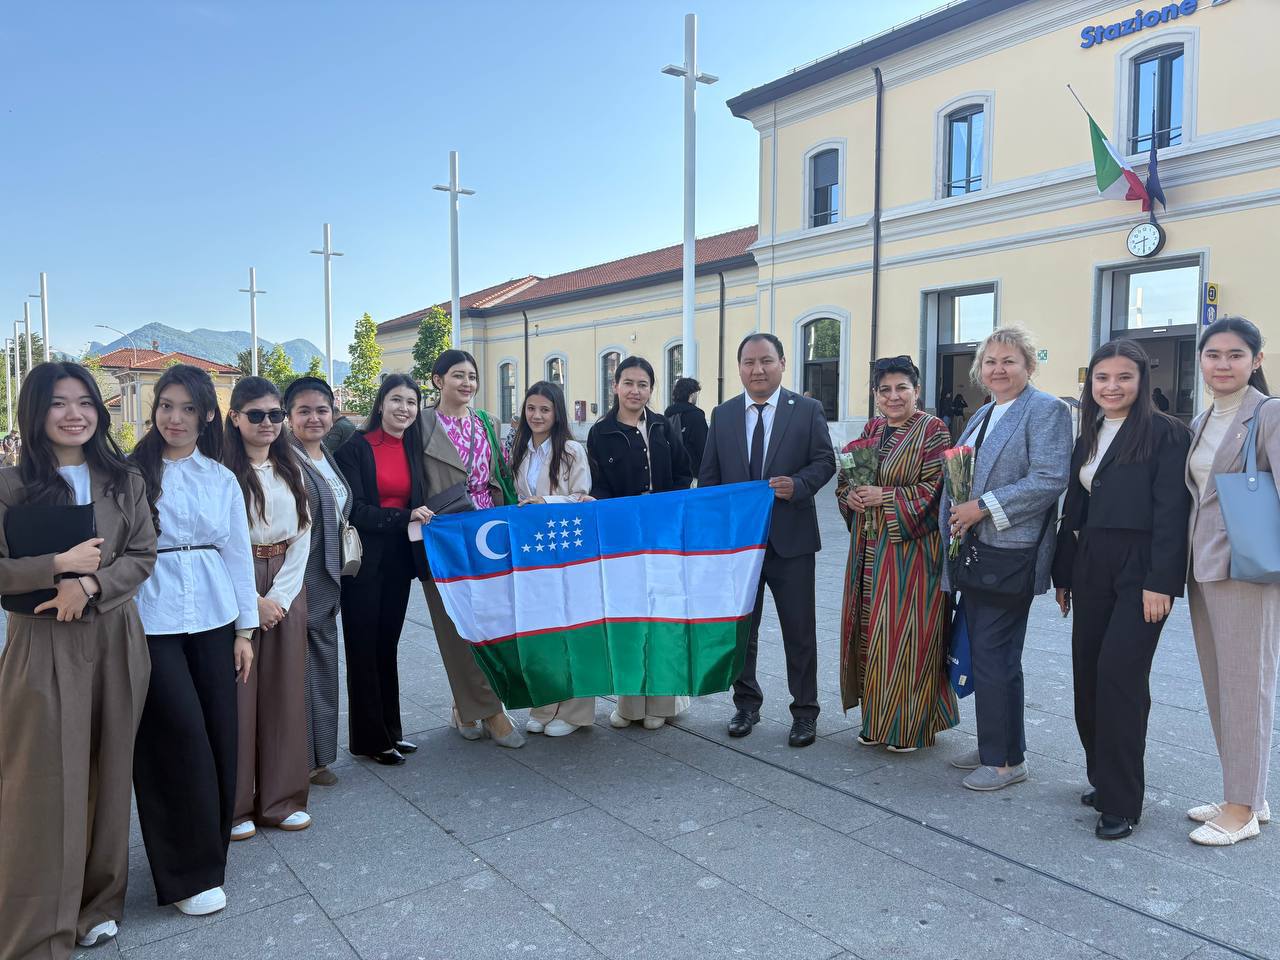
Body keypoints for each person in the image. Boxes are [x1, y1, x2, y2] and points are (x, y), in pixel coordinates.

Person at [0, 362, 157, 956]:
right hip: (40, 643)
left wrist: (90, 587)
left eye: (86, 402)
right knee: (42, 783)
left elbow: (143, 553)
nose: (75, 415)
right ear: (35, 413)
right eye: (59, 403)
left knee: (112, 770)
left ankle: (99, 903)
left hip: (116, 634)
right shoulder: (9, 484)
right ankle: (38, 927)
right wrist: (58, 567)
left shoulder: (124, 480)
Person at [130, 364, 257, 916]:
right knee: (174, 737)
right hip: (149, 618)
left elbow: (237, 556)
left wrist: (245, 629)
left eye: (186, 408)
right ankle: (184, 874)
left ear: (207, 415)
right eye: (165, 406)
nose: (173, 418)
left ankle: (210, 855)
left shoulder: (221, 478)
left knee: (219, 735)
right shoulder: (129, 474)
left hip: (213, 615)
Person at [1052, 340, 1191, 840]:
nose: (1112, 387)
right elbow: (1076, 507)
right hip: (1091, 563)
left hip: (1141, 567)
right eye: (1102, 378)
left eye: (1123, 378)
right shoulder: (1089, 432)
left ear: (1142, 382)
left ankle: (1122, 799)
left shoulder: (1167, 434)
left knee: (1120, 677)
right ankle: (1102, 776)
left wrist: (1161, 582)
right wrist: (1063, 574)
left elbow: (1173, 513)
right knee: (1087, 673)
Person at [941, 326, 1071, 791]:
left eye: (1009, 361)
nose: (998, 369)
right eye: (990, 362)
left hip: (1009, 554)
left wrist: (983, 507)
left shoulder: (1046, 410)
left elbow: (1050, 478)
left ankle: (1004, 762)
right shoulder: (985, 413)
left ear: (1029, 366)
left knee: (995, 655)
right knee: (988, 653)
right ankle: (997, 744)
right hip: (975, 551)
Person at [699, 333, 836, 748]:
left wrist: (798, 485)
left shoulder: (806, 409)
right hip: (740, 547)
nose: (757, 370)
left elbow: (825, 461)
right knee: (743, 630)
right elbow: (709, 478)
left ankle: (805, 712)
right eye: (748, 362)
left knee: (800, 631)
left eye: (765, 361)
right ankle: (746, 704)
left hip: (791, 542)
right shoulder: (722, 415)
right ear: (739, 367)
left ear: (782, 363)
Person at [1183, 316, 1280, 846]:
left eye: (1235, 355)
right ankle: (1246, 792)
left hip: (1248, 570)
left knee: (1248, 686)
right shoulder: (1203, 419)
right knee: (1222, 684)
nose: (1222, 365)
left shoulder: (1269, 415)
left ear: (1256, 361)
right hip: (1205, 570)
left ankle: (1242, 809)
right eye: (1213, 355)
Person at [839, 356, 958, 753]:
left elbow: (936, 491)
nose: (893, 396)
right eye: (885, 389)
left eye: (901, 388)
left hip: (912, 554)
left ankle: (908, 727)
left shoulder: (933, 431)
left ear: (916, 391)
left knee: (907, 638)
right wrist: (851, 497)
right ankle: (875, 719)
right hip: (868, 550)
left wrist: (885, 496)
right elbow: (848, 478)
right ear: (875, 395)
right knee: (870, 635)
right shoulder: (872, 428)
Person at [415, 350, 525, 746]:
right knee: (456, 624)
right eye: (457, 375)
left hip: (489, 531)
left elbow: (503, 474)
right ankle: (491, 711)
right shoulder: (421, 423)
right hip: (444, 532)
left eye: (472, 376)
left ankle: (465, 706)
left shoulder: (487, 422)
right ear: (437, 379)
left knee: (491, 621)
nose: (466, 383)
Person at [223, 376, 313, 838]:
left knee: (283, 691)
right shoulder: (219, 472)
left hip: (283, 585)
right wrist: (250, 601)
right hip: (234, 584)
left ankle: (279, 799)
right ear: (235, 417)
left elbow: (303, 535)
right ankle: (235, 805)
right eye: (255, 415)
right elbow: (219, 544)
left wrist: (278, 598)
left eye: (275, 415)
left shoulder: (291, 466)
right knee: (237, 695)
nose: (267, 423)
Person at [588, 355, 694, 729]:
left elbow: (684, 473)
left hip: (663, 535)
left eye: (643, 384)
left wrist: (667, 507)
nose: (636, 391)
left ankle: (663, 704)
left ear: (652, 389)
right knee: (629, 618)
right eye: (629, 383)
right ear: (615, 386)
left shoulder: (664, 426)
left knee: (663, 616)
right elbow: (598, 486)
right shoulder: (600, 433)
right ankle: (631, 705)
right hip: (623, 540)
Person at [335, 374, 431, 765]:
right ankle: (370, 739)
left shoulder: (412, 447)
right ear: (381, 403)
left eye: (411, 402)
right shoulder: (355, 448)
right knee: (363, 648)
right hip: (363, 562)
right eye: (396, 400)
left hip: (397, 561)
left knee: (386, 646)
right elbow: (355, 509)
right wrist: (404, 515)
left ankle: (392, 731)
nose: (404, 408)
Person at [510, 380, 595, 736]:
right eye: (531, 408)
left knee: (572, 628)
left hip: (568, 550)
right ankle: (544, 707)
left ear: (557, 412)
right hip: (534, 552)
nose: (537, 415)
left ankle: (575, 712)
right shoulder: (519, 449)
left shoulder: (572, 450)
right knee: (541, 629)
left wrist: (546, 503)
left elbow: (584, 497)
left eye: (545, 409)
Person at [286, 376, 353, 786]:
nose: (314, 418)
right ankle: (294, 757)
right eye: (304, 410)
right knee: (295, 670)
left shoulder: (327, 454)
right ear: (288, 415)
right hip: (295, 576)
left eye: (322, 409)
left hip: (328, 577)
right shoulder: (283, 459)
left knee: (323, 665)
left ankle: (319, 757)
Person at [664, 376, 709, 473]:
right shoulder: (696, 415)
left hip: (672, 469)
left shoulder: (668, 414)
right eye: (696, 393)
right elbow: (703, 447)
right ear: (691, 394)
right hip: (692, 471)